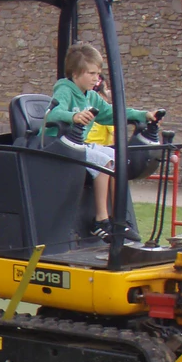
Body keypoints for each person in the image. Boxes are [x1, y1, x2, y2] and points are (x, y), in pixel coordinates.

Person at [43, 42, 159, 240]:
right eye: (91, 73)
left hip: (77, 146)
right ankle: (100, 220)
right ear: (75, 73)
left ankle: (118, 218)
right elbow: (53, 113)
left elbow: (111, 113)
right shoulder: (65, 89)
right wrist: (74, 117)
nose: (96, 78)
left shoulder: (91, 97)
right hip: (58, 145)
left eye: (98, 73)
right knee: (103, 162)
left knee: (116, 157)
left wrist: (143, 115)